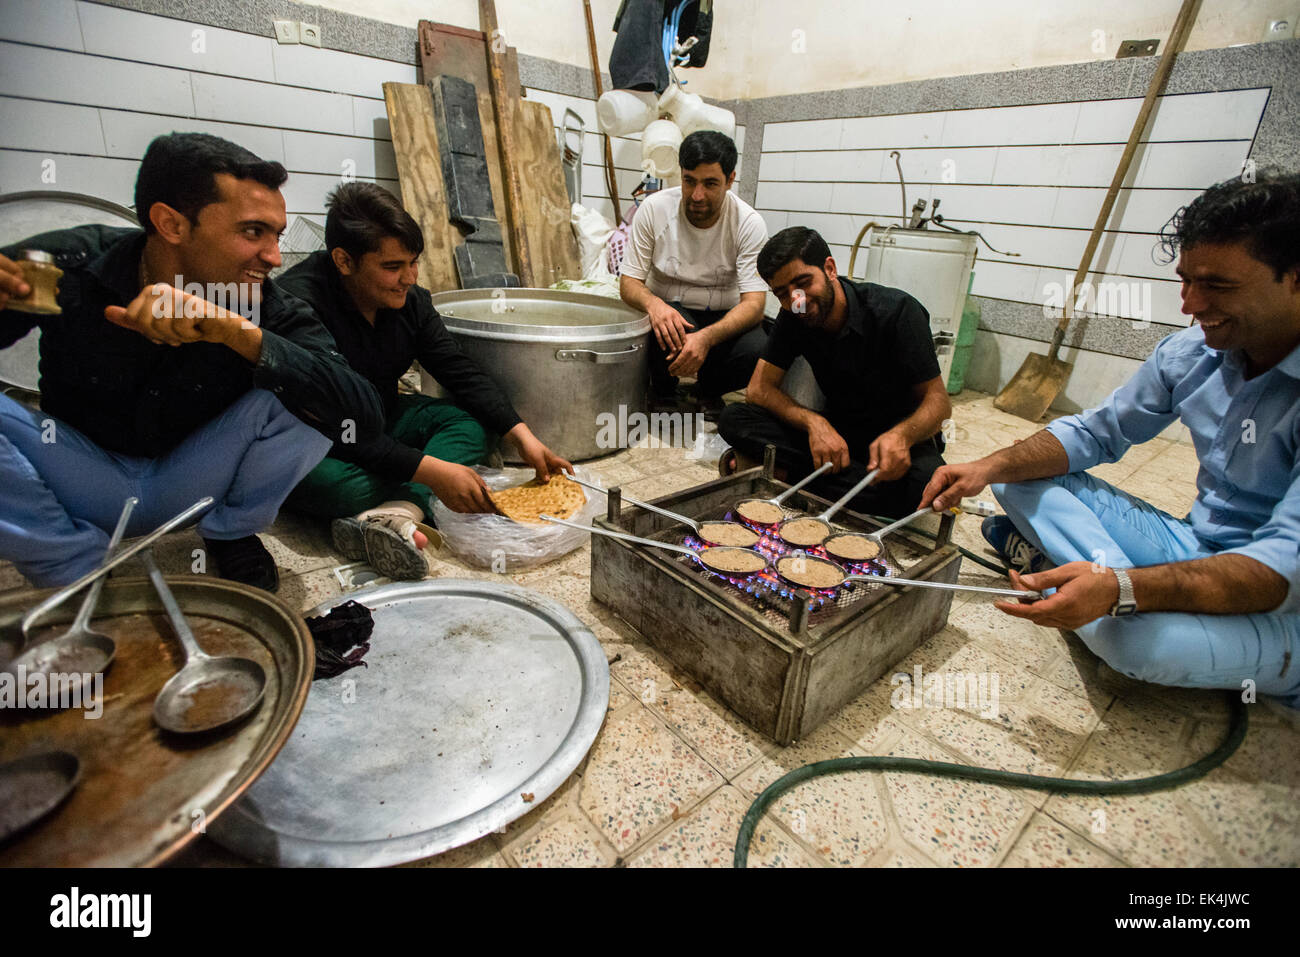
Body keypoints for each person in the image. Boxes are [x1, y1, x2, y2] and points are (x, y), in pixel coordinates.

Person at [919, 170, 1300, 713]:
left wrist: (1123, 588)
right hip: (1197, 547)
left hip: (1283, 600)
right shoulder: (1191, 354)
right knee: (1015, 481)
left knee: (1138, 645)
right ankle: (1088, 586)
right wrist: (986, 465)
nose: (1190, 304)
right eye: (1186, 280)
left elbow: (1283, 567)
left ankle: (1078, 584)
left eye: (1217, 285)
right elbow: (1098, 432)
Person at [0, 133, 382, 592]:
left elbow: (363, 415)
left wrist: (233, 330)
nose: (275, 257)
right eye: (252, 232)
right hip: (83, 477)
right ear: (171, 224)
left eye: (276, 235)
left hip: (192, 484)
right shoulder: (69, 265)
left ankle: (232, 532)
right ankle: (70, 568)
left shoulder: (268, 305)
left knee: (307, 388)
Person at [277, 182, 571, 580]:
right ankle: (410, 497)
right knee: (331, 485)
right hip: (318, 437)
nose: (409, 278)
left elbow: (455, 368)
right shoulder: (299, 306)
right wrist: (431, 470)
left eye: (413, 262)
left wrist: (522, 435)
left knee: (470, 426)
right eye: (392, 267)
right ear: (344, 261)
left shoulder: (410, 301)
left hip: (382, 417)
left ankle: (397, 511)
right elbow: (332, 416)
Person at [717, 226, 951, 518]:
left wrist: (902, 436)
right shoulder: (793, 314)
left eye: (803, 282)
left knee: (927, 484)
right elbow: (759, 389)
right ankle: (838, 486)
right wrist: (814, 423)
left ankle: (789, 476)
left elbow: (939, 402)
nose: (796, 300)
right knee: (733, 418)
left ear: (829, 268)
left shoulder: (897, 311)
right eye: (783, 293)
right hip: (838, 437)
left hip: (898, 442)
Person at [619, 130, 768, 418]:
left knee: (760, 346)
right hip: (671, 312)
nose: (697, 195)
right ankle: (662, 389)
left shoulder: (748, 223)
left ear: (730, 180)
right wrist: (654, 305)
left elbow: (754, 305)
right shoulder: (654, 210)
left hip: (722, 317)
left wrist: (707, 338)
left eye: (710, 184)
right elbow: (628, 282)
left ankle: (708, 389)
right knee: (667, 326)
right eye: (689, 181)